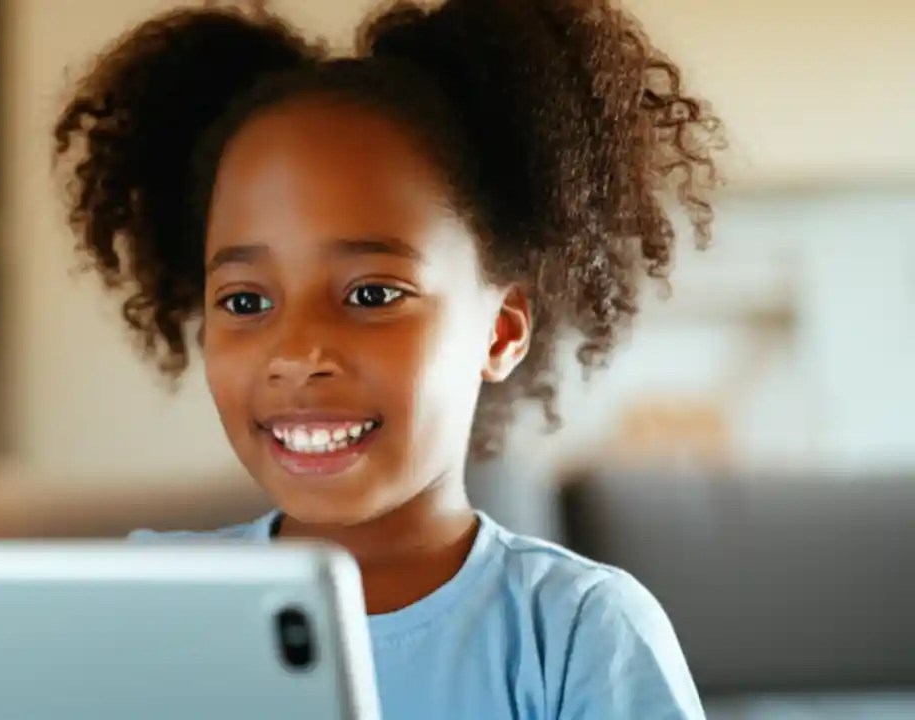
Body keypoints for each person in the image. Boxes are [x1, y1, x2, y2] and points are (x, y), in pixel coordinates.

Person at [54, 0, 723, 717]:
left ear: (499, 332)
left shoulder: (577, 633)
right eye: (246, 302)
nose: (298, 354)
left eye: (372, 293)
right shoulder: (153, 599)